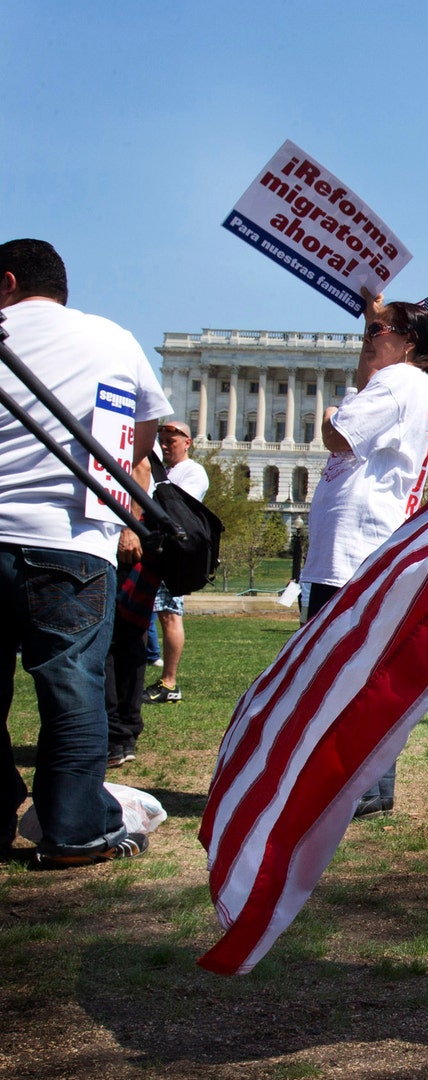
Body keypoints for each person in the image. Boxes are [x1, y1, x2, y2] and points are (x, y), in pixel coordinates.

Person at [1, 238, 166, 867]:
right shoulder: (112, 339)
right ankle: (73, 830)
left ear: (7, 282)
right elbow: (140, 440)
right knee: (72, 688)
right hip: (70, 538)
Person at [302, 291, 428, 819]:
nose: (368, 340)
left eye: (378, 332)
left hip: (355, 547)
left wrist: (331, 411)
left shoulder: (400, 380)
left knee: (339, 671)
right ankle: (370, 787)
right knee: (362, 668)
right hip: (366, 542)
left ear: (408, 342)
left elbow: (338, 435)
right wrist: (373, 324)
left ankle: (354, 786)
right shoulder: (405, 381)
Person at [142, 419, 209, 705]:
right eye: (163, 441)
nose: (166, 446)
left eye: (172, 441)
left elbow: (177, 509)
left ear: (187, 443)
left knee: (170, 613)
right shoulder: (162, 470)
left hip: (172, 553)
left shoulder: (192, 472)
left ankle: (169, 681)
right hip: (152, 548)